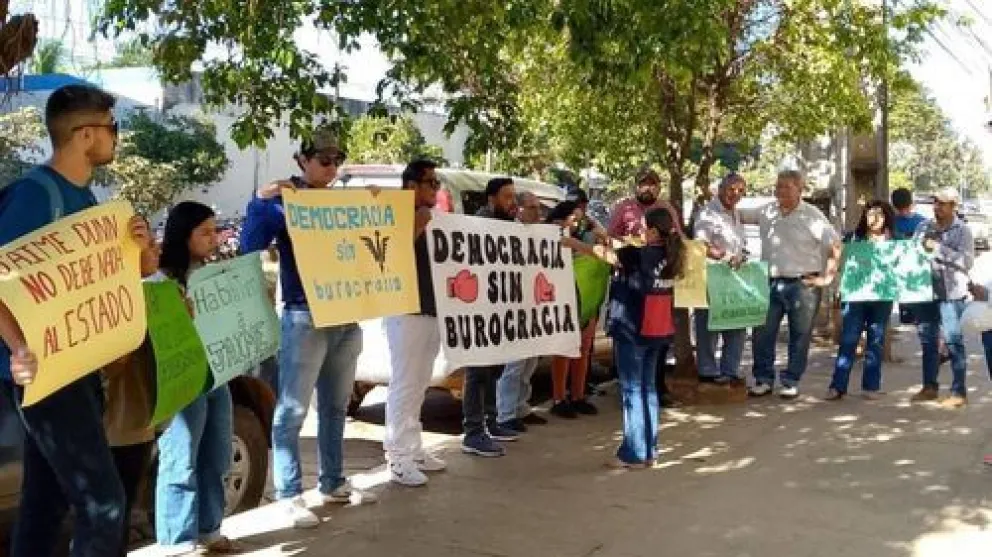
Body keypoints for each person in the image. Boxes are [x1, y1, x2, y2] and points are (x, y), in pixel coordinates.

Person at [0, 84, 149, 557]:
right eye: (111, 127)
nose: (115, 137)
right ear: (86, 135)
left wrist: (140, 250)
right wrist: (18, 348)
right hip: (46, 376)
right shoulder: (35, 196)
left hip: (77, 371)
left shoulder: (88, 203)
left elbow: (118, 279)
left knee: (44, 503)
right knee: (104, 504)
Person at [241, 131, 375, 529]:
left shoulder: (345, 202)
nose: (331, 168)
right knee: (292, 410)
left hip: (346, 316)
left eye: (337, 160)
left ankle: (332, 481)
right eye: (323, 160)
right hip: (305, 316)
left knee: (335, 407)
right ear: (302, 160)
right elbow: (250, 245)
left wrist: (379, 208)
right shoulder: (284, 201)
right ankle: (289, 494)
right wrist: (260, 201)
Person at [154, 202, 238, 555]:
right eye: (204, 232)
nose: (212, 238)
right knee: (181, 458)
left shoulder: (214, 273)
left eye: (214, 230)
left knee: (218, 456)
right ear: (183, 234)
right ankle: (177, 540)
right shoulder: (160, 279)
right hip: (183, 380)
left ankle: (209, 529)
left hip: (216, 375)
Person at [383, 160, 448, 487]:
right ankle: (397, 456)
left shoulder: (434, 217)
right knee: (405, 383)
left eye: (437, 183)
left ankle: (413, 448)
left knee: (420, 382)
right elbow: (388, 254)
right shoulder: (395, 213)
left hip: (430, 308)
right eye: (430, 183)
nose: (436, 189)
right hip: (405, 310)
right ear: (412, 186)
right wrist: (418, 225)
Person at [750, 170, 842, 399]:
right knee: (762, 333)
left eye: (787, 186)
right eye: (778, 186)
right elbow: (737, 214)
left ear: (800, 190)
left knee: (799, 336)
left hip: (802, 285)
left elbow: (835, 245)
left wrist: (827, 278)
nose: (780, 191)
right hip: (770, 282)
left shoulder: (812, 216)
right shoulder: (767, 211)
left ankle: (791, 380)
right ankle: (763, 379)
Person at [607, 208, 682, 468]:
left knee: (632, 391)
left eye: (642, 226)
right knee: (648, 389)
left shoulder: (638, 255)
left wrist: (572, 243)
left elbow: (604, 254)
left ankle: (634, 453)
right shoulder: (672, 255)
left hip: (632, 328)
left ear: (651, 230)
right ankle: (649, 450)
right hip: (658, 331)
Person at [105, 215, 159, 557]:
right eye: (149, 245)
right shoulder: (113, 302)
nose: (156, 250)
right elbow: (112, 364)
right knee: (111, 513)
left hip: (140, 423)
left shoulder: (155, 292)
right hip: (117, 427)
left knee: (122, 512)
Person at [462, 178, 521, 457]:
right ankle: (473, 432)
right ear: (491, 198)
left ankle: (491, 421)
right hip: (479, 309)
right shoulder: (479, 224)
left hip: (500, 308)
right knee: (478, 372)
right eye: (507, 197)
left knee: (495, 368)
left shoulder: (510, 225)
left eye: (514, 197)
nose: (512, 202)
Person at [545, 201, 617, 419]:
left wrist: (597, 228)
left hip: (588, 301)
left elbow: (606, 246)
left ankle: (578, 395)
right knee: (564, 351)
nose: (577, 223)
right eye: (573, 219)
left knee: (583, 350)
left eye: (580, 219)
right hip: (565, 302)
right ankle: (559, 398)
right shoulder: (551, 234)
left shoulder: (586, 235)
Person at [909, 187, 974, 408]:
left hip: (951, 293)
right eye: (935, 203)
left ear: (953, 206)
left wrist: (939, 249)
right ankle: (929, 386)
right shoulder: (923, 227)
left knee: (953, 341)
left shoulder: (962, 230)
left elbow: (967, 262)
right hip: (925, 291)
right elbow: (912, 253)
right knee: (928, 340)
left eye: (942, 204)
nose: (937, 207)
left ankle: (959, 392)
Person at [825, 201, 896, 401]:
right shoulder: (852, 239)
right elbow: (837, 261)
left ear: (886, 218)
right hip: (855, 298)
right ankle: (838, 386)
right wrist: (834, 284)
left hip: (882, 298)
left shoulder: (895, 241)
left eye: (880, 214)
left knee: (876, 341)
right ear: (864, 216)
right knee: (849, 340)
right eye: (870, 214)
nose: (875, 219)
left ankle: (871, 387)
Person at [495, 191, 548, 432]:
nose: (538, 213)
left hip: (534, 306)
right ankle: (505, 414)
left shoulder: (540, 233)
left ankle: (520, 407)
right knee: (514, 364)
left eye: (539, 208)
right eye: (533, 208)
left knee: (530, 362)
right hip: (515, 308)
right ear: (519, 209)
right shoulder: (510, 233)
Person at [693, 174, 748, 385]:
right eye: (732, 189)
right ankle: (707, 370)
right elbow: (701, 245)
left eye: (740, 191)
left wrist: (741, 255)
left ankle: (730, 370)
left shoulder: (736, 213)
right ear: (720, 188)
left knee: (737, 323)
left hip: (734, 277)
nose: (736, 194)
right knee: (709, 325)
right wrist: (726, 256)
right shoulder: (707, 213)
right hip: (712, 276)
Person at [607, 166, 682, 240]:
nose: (647, 188)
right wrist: (630, 239)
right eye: (643, 184)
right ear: (636, 187)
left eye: (652, 184)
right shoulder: (624, 207)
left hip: (662, 247)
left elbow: (678, 235)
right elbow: (610, 236)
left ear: (658, 188)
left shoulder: (666, 207)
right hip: (632, 247)